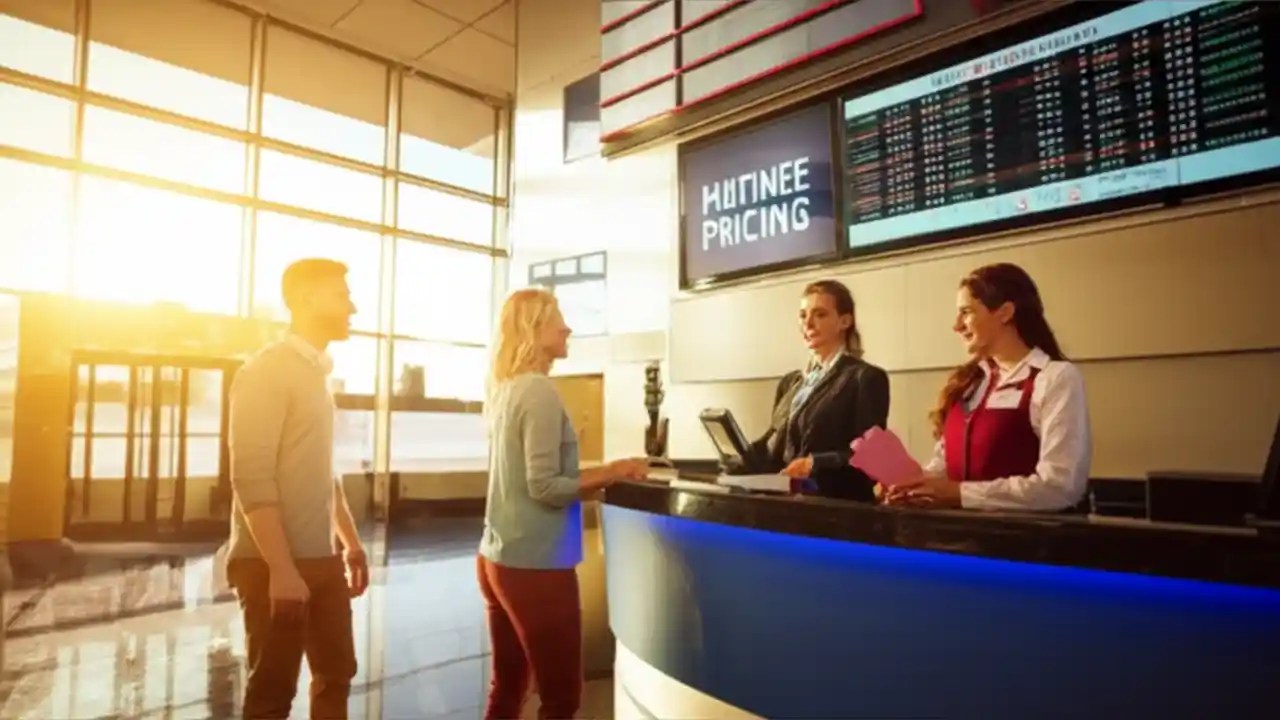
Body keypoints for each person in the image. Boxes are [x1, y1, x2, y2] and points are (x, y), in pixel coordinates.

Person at [478, 288, 647, 720]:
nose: (567, 328)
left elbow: (530, 480)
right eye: (558, 320)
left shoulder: (505, 389)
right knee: (561, 697)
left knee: (508, 686)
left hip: (498, 557)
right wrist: (614, 469)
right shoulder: (538, 391)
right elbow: (546, 487)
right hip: (535, 565)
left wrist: (598, 476)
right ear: (535, 330)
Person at [226, 258, 368, 719]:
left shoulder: (314, 375)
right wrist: (283, 571)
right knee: (271, 697)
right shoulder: (265, 371)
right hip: (272, 564)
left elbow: (322, 473)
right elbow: (250, 477)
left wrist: (350, 544)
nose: (353, 307)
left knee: (336, 675)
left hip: (320, 559)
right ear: (307, 299)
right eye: (342, 295)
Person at [883, 262, 1091, 511]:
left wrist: (960, 494)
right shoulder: (969, 383)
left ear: (1005, 312)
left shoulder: (1055, 378)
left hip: (1026, 544)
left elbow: (1058, 486)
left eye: (966, 312)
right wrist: (913, 487)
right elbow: (943, 467)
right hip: (960, 542)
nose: (956, 325)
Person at [749, 279, 890, 501]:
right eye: (803, 315)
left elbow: (871, 459)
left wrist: (815, 464)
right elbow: (772, 448)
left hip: (837, 513)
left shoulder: (865, 378)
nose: (808, 323)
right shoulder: (790, 383)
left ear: (845, 321)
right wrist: (736, 455)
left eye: (820, 314)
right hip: (788, 507)